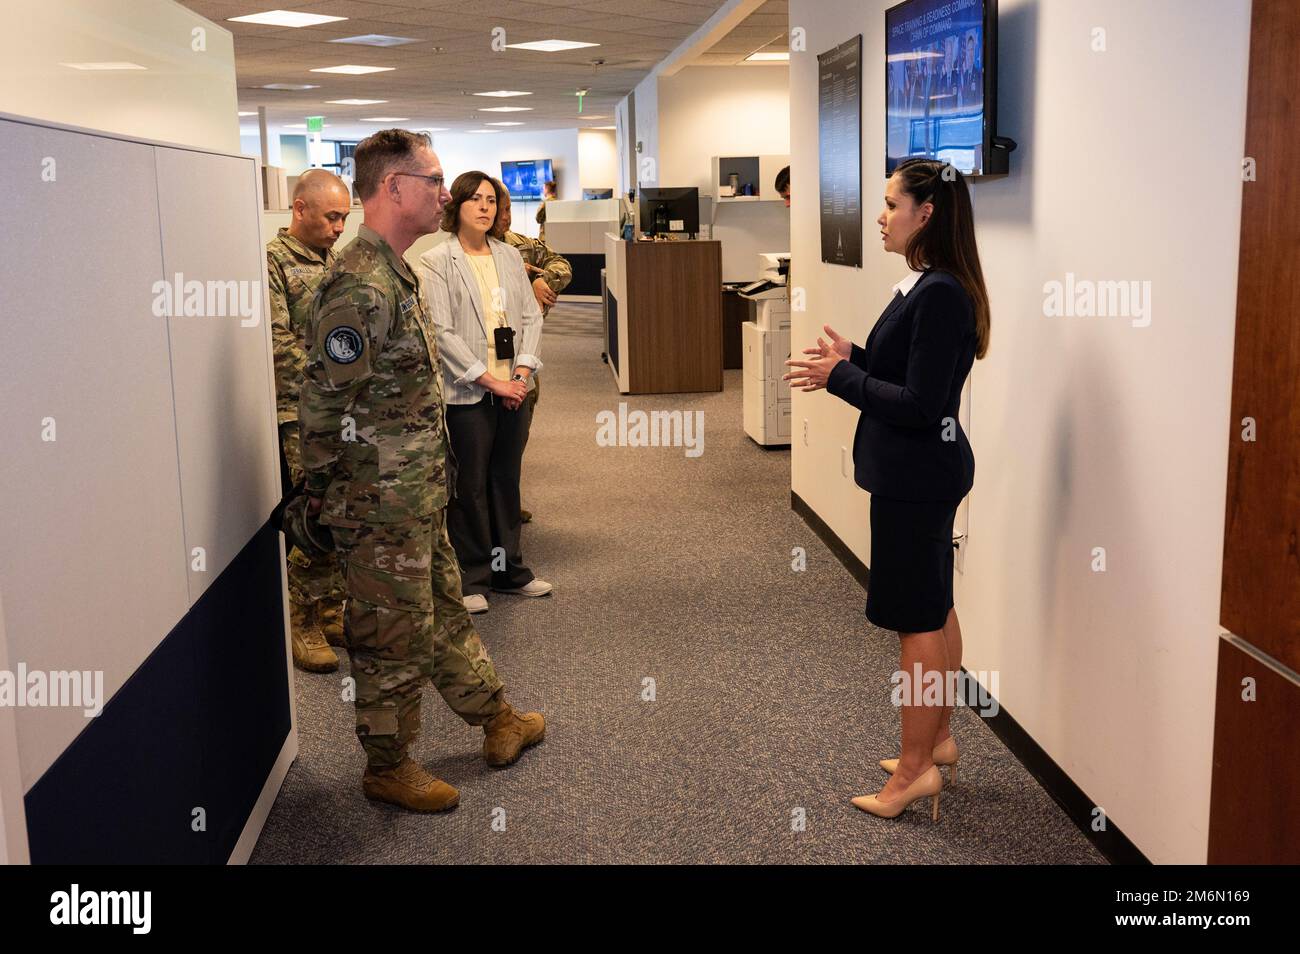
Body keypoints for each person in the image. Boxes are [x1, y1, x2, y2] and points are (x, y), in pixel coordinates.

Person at [300, 130, 545, 813]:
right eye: (434, 180)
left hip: (411, 495)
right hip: (375, 504)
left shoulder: (396, 268)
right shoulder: (359, 283)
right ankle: (388, 764)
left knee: (438, 611)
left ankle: (497, 717)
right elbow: (324, 405)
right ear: (395, 188)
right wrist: (321, 501)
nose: (447, 192)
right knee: (388, 634)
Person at [784, 157, 990, 822]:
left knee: (917, 621)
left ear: (925, 214)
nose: (880, 215)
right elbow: (907, 377)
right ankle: (940, 741)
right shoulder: (930, 284)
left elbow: (919, 405)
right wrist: (857, 358)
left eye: (890, 203)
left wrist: (839, 378)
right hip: (923, 474)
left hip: (916, 477)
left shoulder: (940, 293)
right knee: (934, 605)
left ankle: (913, 771)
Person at [416, 172, 550, 616]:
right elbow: (441, 331)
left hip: (514, 386)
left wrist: (523, 370)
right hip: (469, 391)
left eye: (491, 200)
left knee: (505, 480)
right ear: (456, 206)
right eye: (474, 199)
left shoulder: (510, 255)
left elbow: (530, 316)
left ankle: (508, 570)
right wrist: (490, 380)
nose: (484, 207)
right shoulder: (437, 260)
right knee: (469, 485)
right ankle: (472, 576)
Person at [267, 168, 352, 674]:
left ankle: (331, 608)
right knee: (316, 512)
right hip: (300, 412)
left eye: (344, 216)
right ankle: (301, 618)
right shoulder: (273, 263)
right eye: (332, 216)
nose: (340, 226)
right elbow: (276, 343)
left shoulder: (334, 260)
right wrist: (333, 383)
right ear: (300, 209)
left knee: (346, 510)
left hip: (343, 410)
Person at [494, 179, 571, 523]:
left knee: (516, 439)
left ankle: (508, 502)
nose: (506, 217)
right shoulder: (463, 251)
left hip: (523, 361)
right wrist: (527, 281)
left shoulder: (522, 245)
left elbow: (562, 265)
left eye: (509, 208)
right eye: (501, 209)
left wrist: (544, 280)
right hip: (482, 364)